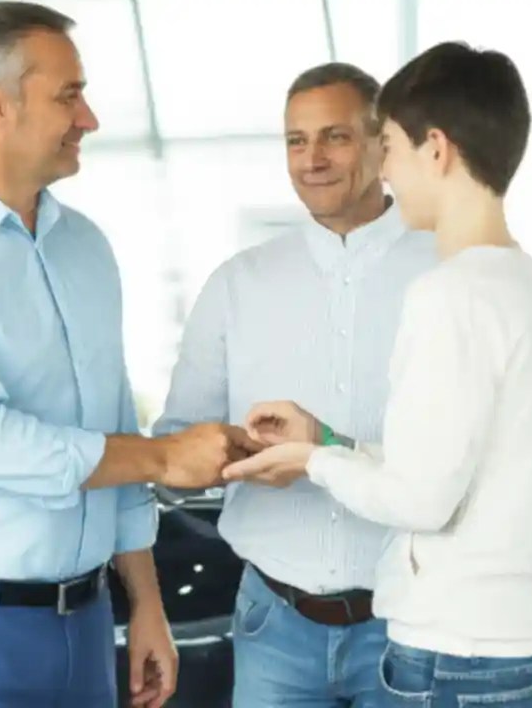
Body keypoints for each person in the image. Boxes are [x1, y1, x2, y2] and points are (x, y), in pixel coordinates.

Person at [0, 1, 261, 708]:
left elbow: (107, 426)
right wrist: (165, 458)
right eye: (69, 95)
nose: (90, 119)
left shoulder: (86, 248)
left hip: (85, 621)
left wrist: (147, 604)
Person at [226, 42, 532, 707]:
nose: (385, 171)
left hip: (450, 658)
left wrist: (311, 460)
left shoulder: (450, 294)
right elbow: (449, 466)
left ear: (436, 149)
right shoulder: (528, 285)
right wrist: (332, 442)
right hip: (508, 650)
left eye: (388, 145)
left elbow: (419, 501)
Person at [152, 63, 436, 706]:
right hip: (272, 623)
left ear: (381, 145)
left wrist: (322, 454)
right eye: (295, 140)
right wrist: (225, 452)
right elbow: (175, 451)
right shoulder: (236, 284)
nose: (313, 159)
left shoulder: (446, 273)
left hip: (415, 623)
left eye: (334, 136)